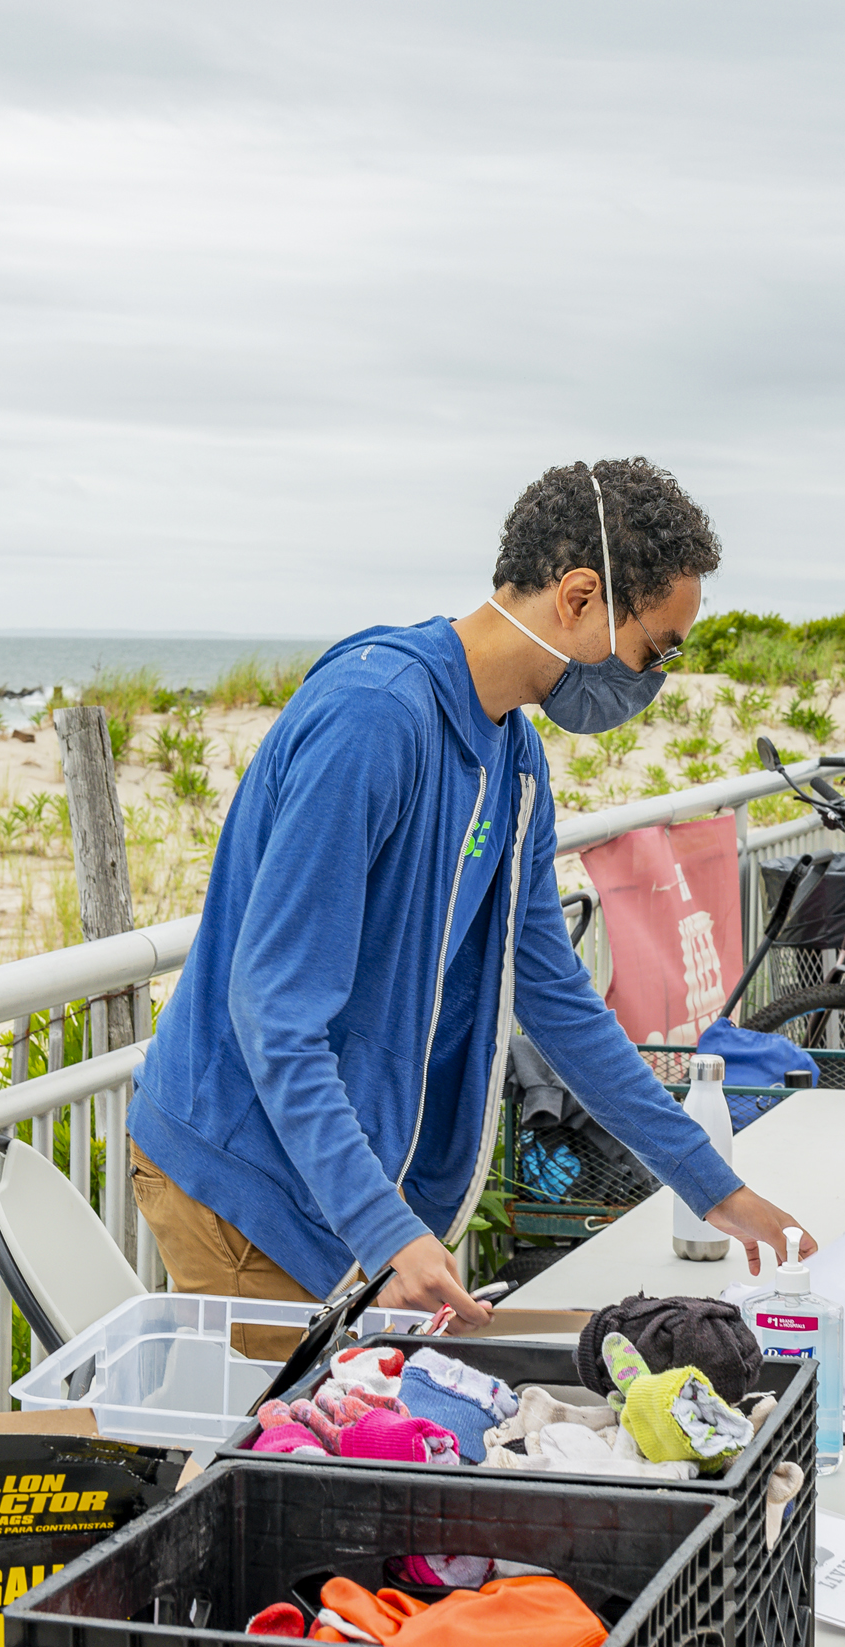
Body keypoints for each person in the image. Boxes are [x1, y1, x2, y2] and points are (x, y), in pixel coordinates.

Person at [128, 458, 803, 1320]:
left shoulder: (513, 757)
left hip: (348, 1180)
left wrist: (714, 1188)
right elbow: (275, 1012)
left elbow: (556, 999)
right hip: (251, 1176)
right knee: (273, 1452)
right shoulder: (375, 719)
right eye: (654, 649)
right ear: (579, 597)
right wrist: (386, 1230)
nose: (652, 680)